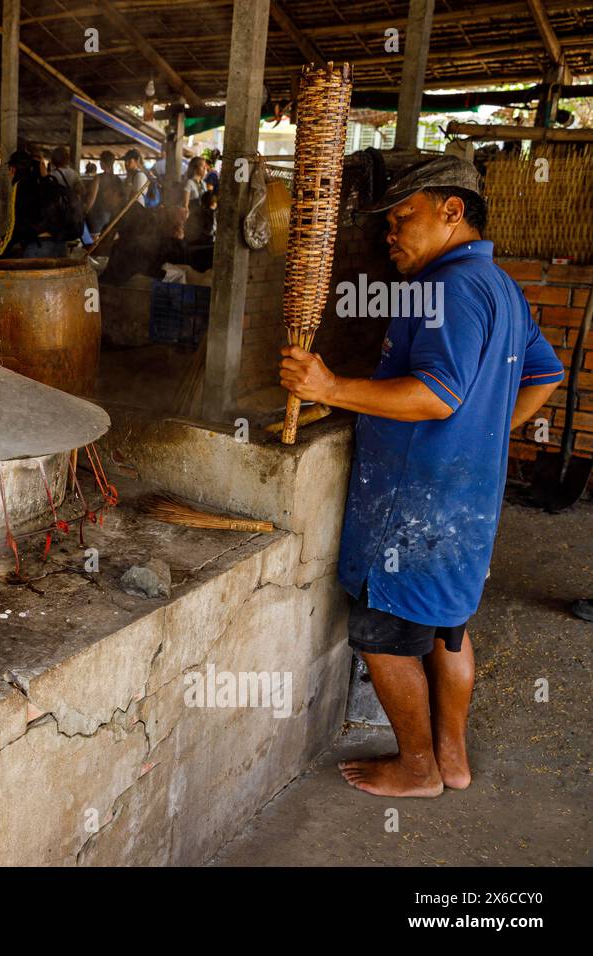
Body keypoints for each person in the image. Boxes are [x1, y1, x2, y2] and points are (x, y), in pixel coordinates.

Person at [279, 156, 565, 798]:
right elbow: (545, 375)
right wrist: (484, 436)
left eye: (403, 216)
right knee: (448, 629)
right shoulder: (499, 284)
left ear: (452, 211)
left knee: (383, 639)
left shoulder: (450, 288)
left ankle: (417, 769)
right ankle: (453, 760)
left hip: (417, 508)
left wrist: (330, 384)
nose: (390, 233)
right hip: (464, 503)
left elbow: (436, 394)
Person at [0, 149, 65, 259]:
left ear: (13, 169)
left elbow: (14, 225)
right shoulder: (45, 182)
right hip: (60, 245)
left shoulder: (20, 186)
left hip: (40, 248)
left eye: (9, 170)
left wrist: (0, 252)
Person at [86, 150, 123, 240]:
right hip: (112, 215)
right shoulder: (118, 179)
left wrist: (86, 210)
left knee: (93, 244)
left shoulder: (98, 178)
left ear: (102, 162)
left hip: (98, 215)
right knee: (108, 241)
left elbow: (91, 198)